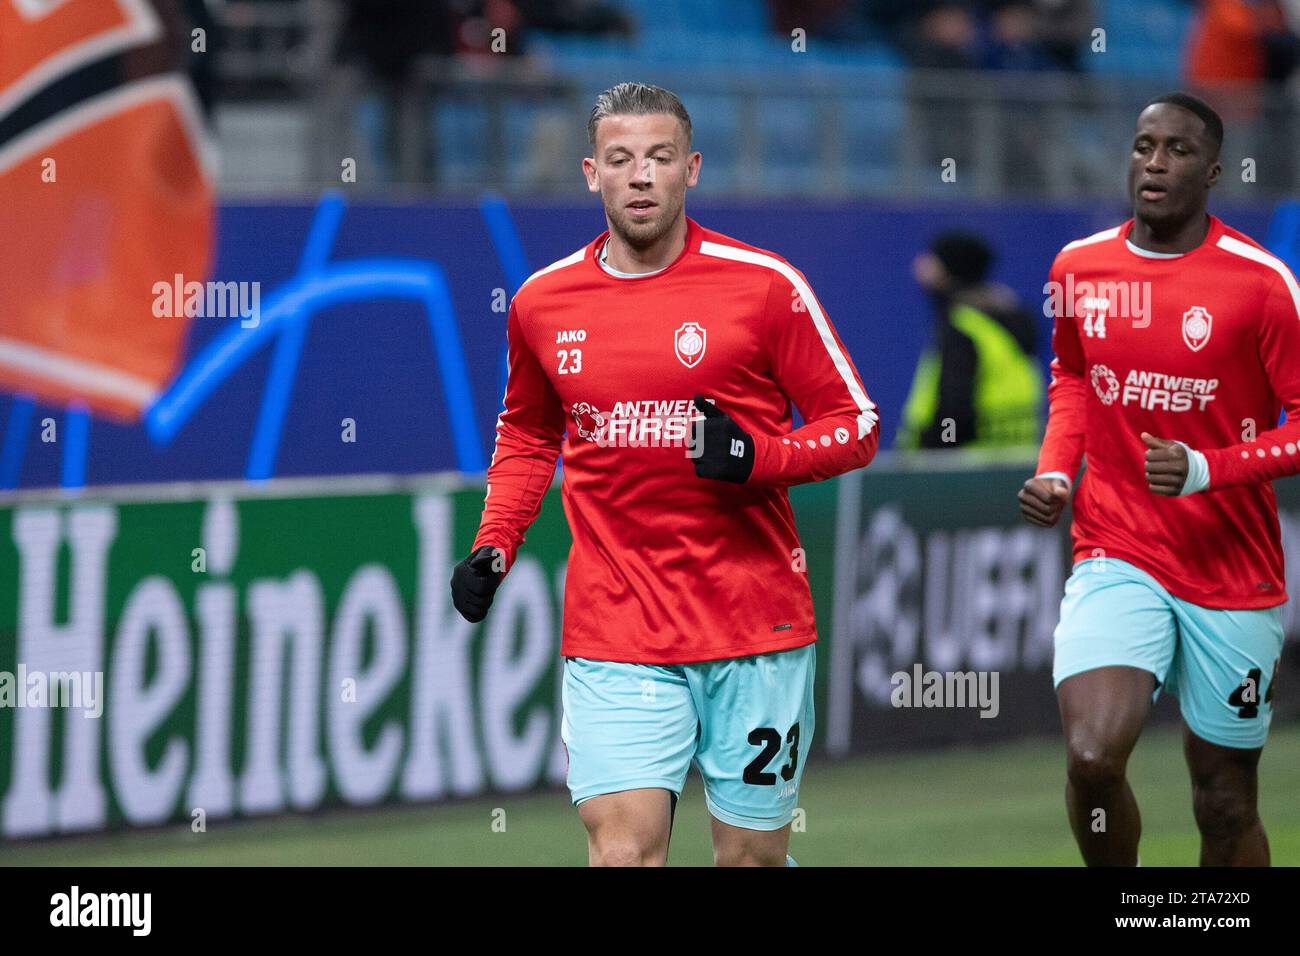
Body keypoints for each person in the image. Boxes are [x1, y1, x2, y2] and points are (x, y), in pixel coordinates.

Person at [450, 82, 879, 867]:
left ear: (692, 169)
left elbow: (857, 426)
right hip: (617, 623)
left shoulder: (765, 287)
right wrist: (496, 543)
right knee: (623, 855)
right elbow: (528, 431)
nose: (640, 176)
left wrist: (758, 459)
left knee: (750, 858)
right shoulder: (543, 301)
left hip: (754, 625)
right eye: (621, 159)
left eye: (659, 158)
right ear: (591, 172)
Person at [1019, 92, 1300, 866]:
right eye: (1144, 146)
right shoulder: (1080, 267)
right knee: (1091, 757)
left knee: (1223, 800)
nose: (1154, 162)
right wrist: (1054, 471)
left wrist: (1211, 468)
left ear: (1212, 171)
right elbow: (1072, 379)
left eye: (1177, 150)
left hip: (1230, 567)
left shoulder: (1261, 284)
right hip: (1116, 548)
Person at [898, 231, 1042, 449]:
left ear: (949, 270)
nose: (920, 266)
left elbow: (954, 410)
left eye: (932, 259)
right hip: (1015, 460)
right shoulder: (1010, 319)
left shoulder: (963, 325)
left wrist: (937, 452)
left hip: (961, 468)